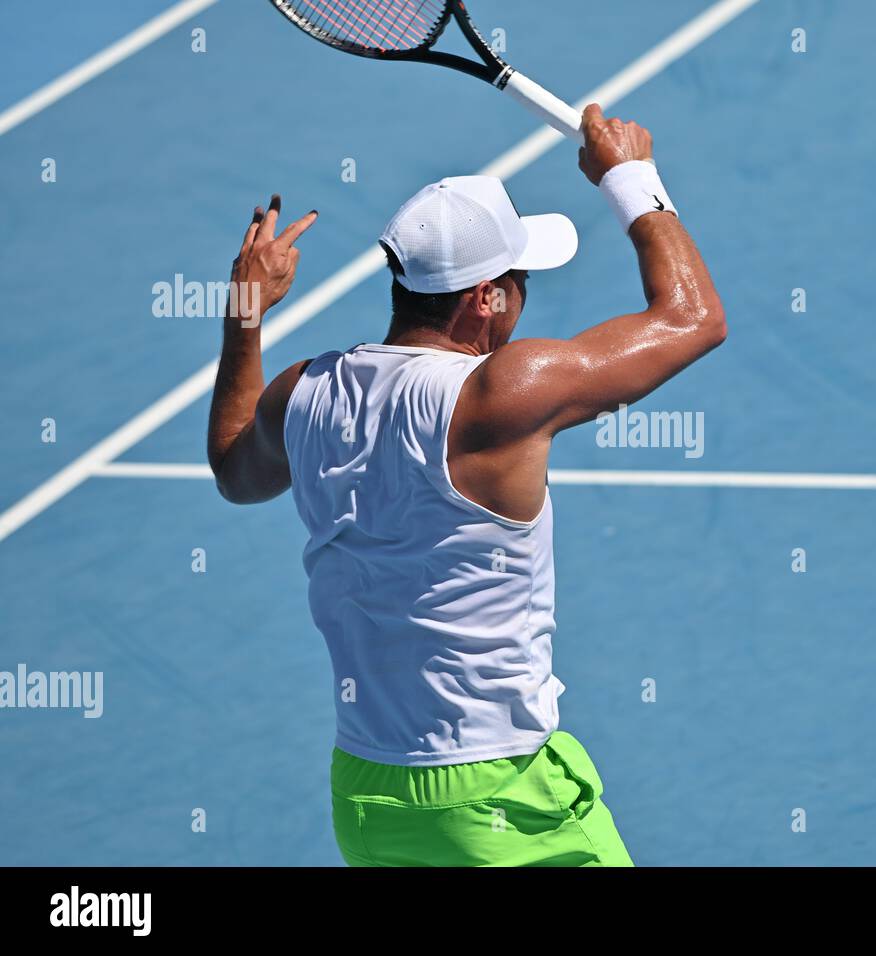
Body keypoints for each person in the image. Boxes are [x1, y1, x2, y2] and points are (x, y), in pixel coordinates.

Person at [206, 104, 726, 866]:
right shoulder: (502, 392)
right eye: (518, 280)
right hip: (501, 803)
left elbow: (233, 470)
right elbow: (695, 319)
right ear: (486, 298)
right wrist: (630, 178)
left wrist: (244, 311)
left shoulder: (304, 393)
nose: (525, 295)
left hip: (368, 798)